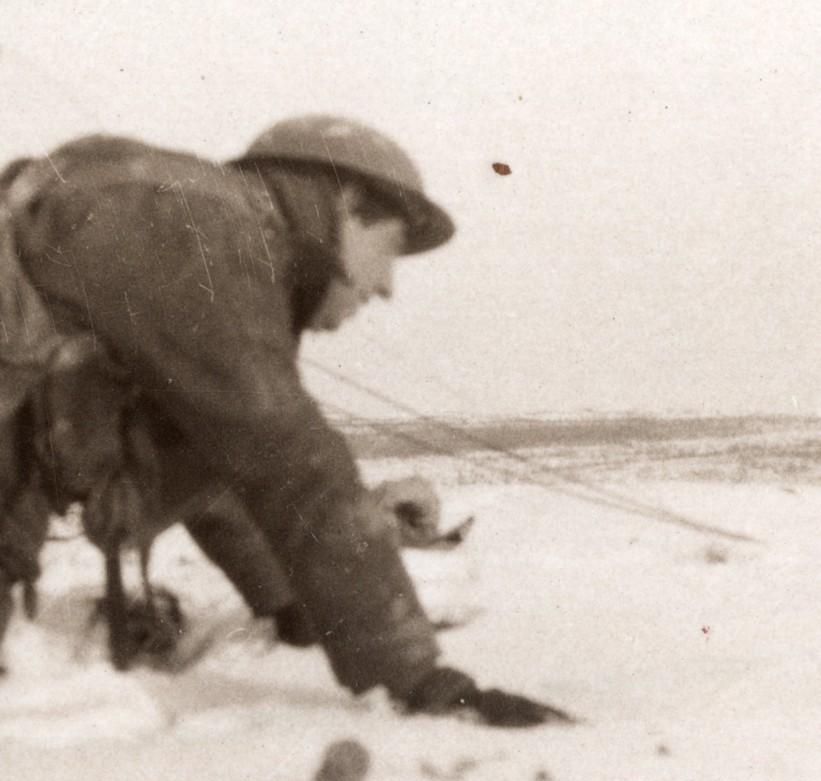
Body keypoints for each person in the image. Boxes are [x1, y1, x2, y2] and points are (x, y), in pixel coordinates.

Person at [1, 115, 574, 727]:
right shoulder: (209, 232)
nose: (384, 287)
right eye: (391, 250)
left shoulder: (193, 229)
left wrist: (291, 600)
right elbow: (291, 462)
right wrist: (417, 677)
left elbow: (219, 462)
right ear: (348, 205)